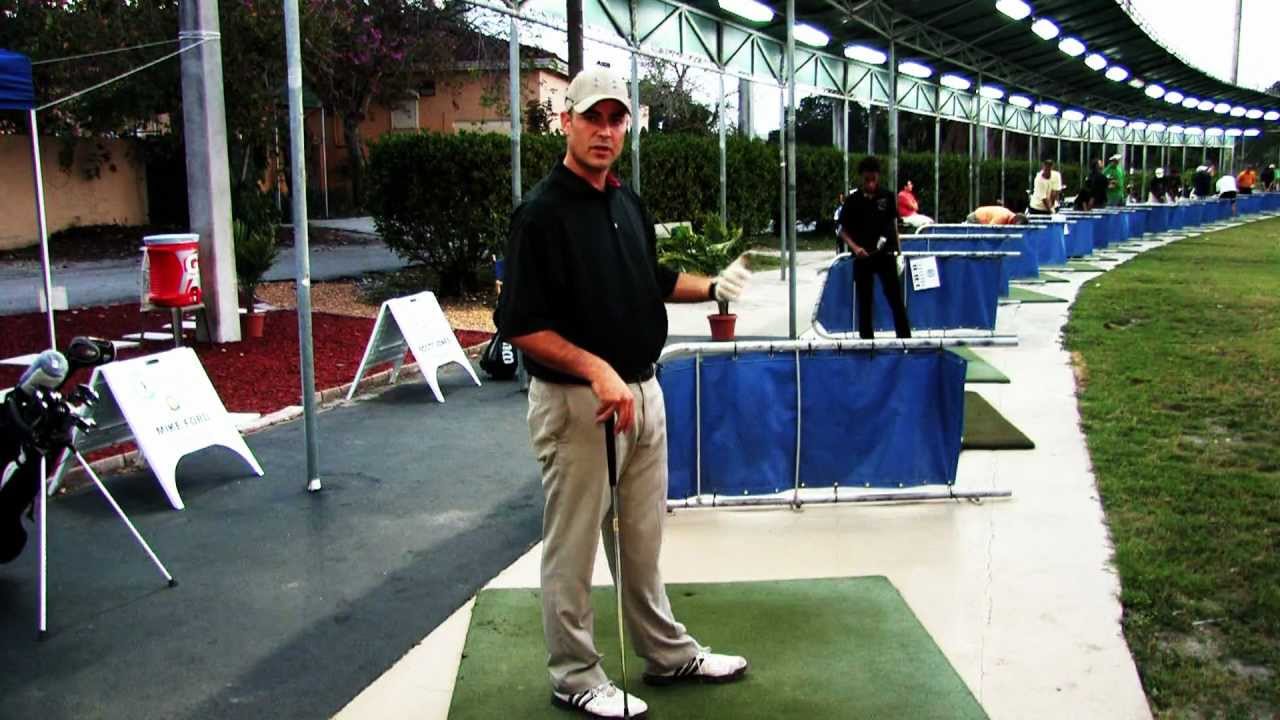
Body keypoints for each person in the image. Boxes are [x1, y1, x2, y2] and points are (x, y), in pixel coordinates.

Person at [495, 66, 749, 720]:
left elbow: (651, 277)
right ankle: (576, 676)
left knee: (642, 545)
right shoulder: (541, 215)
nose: (604, 131)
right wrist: (595, 369)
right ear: (566, 122)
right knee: (573, 548)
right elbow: (521, 324)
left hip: (644, 394)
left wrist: (714, 285)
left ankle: (667, 654)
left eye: (616, 120)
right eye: (592, 118)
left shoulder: (624, 200)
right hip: (582, 407)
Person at [839, 156, 911, 339]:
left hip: (885, 255)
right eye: (866, 180)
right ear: (861, 178)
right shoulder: (852, 200)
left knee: (895, 298)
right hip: (863, 257)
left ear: (878, 177)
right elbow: (842, 230)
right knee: (865, 301)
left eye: (873, 179)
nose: (870, 184)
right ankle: (866, 343)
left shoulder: (887, 196)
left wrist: (899, 252)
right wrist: (855, 248)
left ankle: (905, 340)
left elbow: (893, 225)